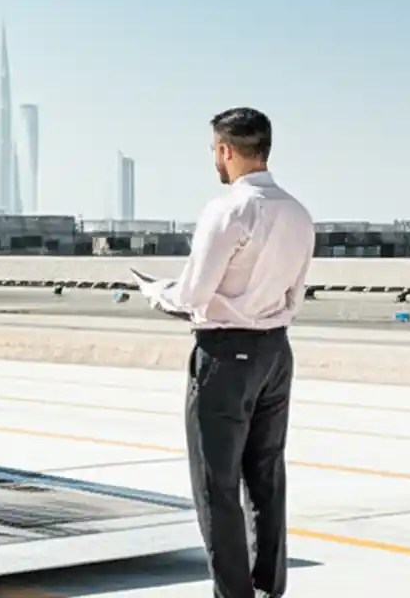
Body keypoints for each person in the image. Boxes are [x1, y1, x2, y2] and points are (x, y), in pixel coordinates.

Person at [138, 107, 315, 598]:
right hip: (276, 353)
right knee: (266, 473)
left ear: (225, 150)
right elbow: (294, 297)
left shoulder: (227, 210)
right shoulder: (299, 213)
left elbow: (192, 296)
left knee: (216, 484)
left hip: (226, 353)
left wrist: (158, 295)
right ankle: (267, 587)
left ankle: (234, 595)